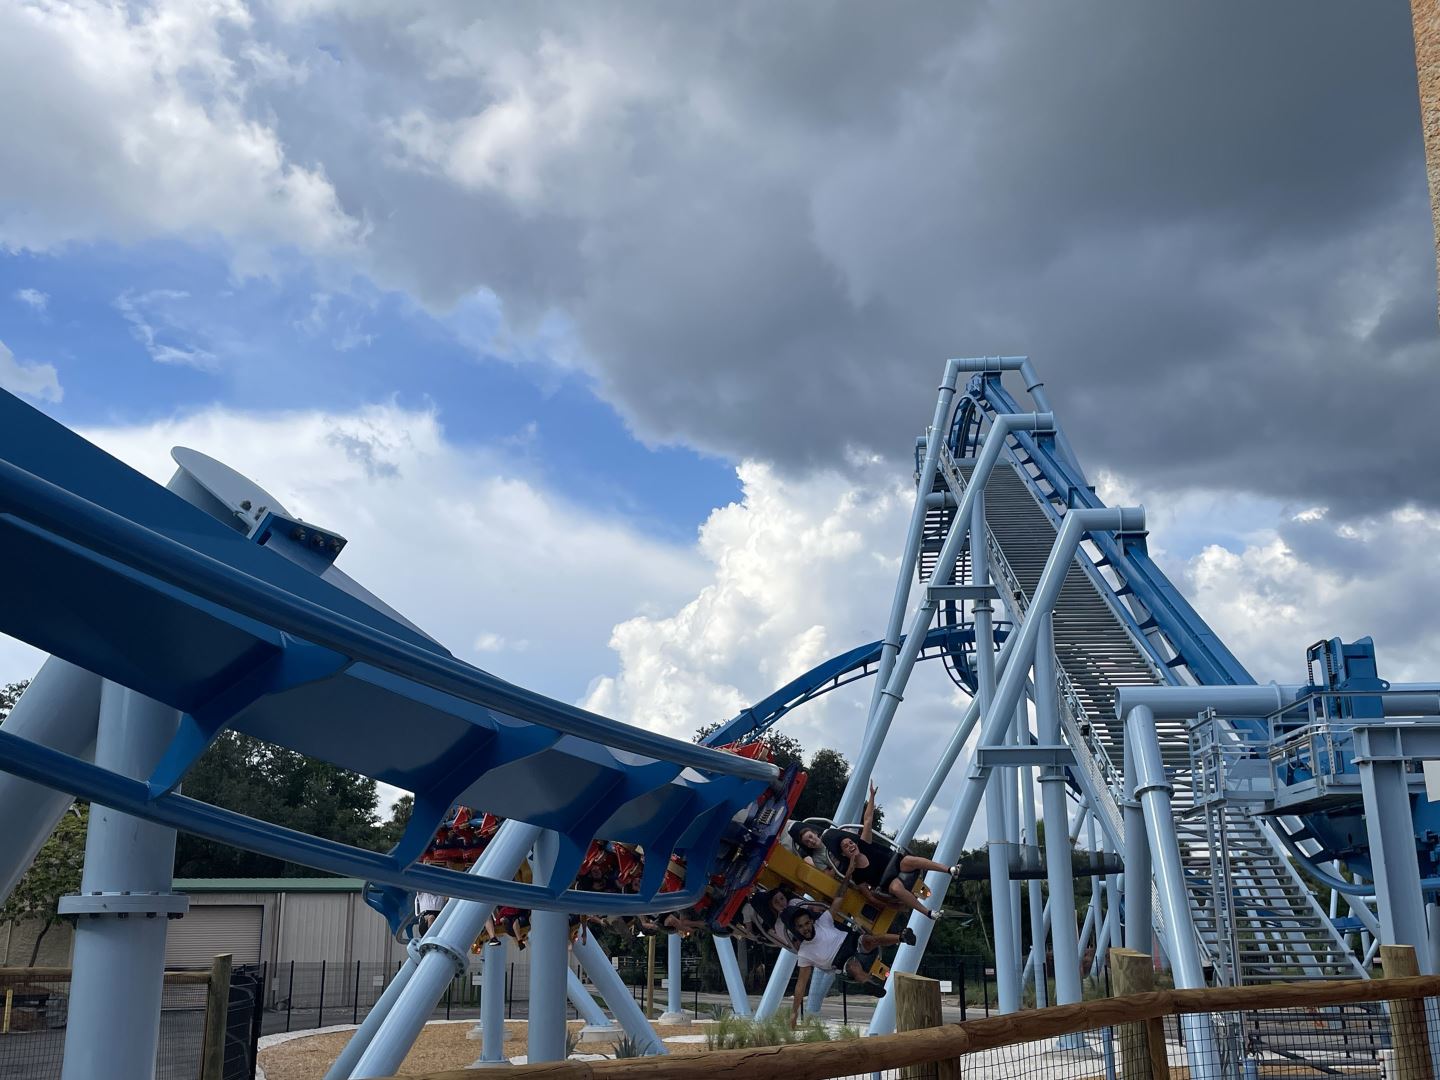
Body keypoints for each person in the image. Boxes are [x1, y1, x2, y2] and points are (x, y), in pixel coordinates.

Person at [786, 873, 915, 1026]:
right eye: (801, 927)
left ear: (811, 922)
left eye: (806, 924)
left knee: (870, 940)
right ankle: (869, 984)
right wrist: (794, 1012)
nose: (805, 928)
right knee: (853, 967)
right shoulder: (804, 953)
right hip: (842, 961)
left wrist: (848, 874)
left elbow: (838, 899)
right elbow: (801, 984)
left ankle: (902, 937)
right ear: (797, 930)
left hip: (852, 942)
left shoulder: (823, 921)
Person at [824, 783, 960, 920]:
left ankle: (949, 869)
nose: (851, 845)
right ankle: (929, 913)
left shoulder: (864, 844)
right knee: (896, 888)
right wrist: (889, 907)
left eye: (851, 842)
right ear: (843, 854)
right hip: (888, 881)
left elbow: (868, 820)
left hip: (896, 864)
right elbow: (869, 896)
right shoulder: (856, 874)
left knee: (909, 861)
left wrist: (871, 796)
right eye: (846, 846)